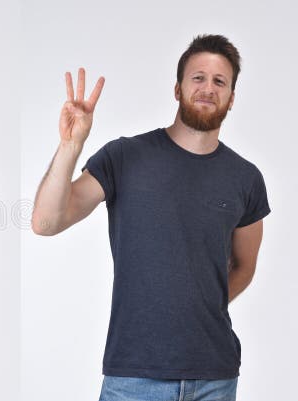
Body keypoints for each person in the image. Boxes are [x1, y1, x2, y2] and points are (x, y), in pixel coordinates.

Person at [31, 34, 269, 401]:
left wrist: (196, 305)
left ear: (232, 98)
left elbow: (244, 266)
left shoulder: (246, 178)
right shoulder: (124, 157)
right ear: (177, 89)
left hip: (215, 378)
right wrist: (70, 146)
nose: (208, 88)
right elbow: (46, 222)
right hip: (133, 378)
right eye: (198, 78)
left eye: (219, 81)